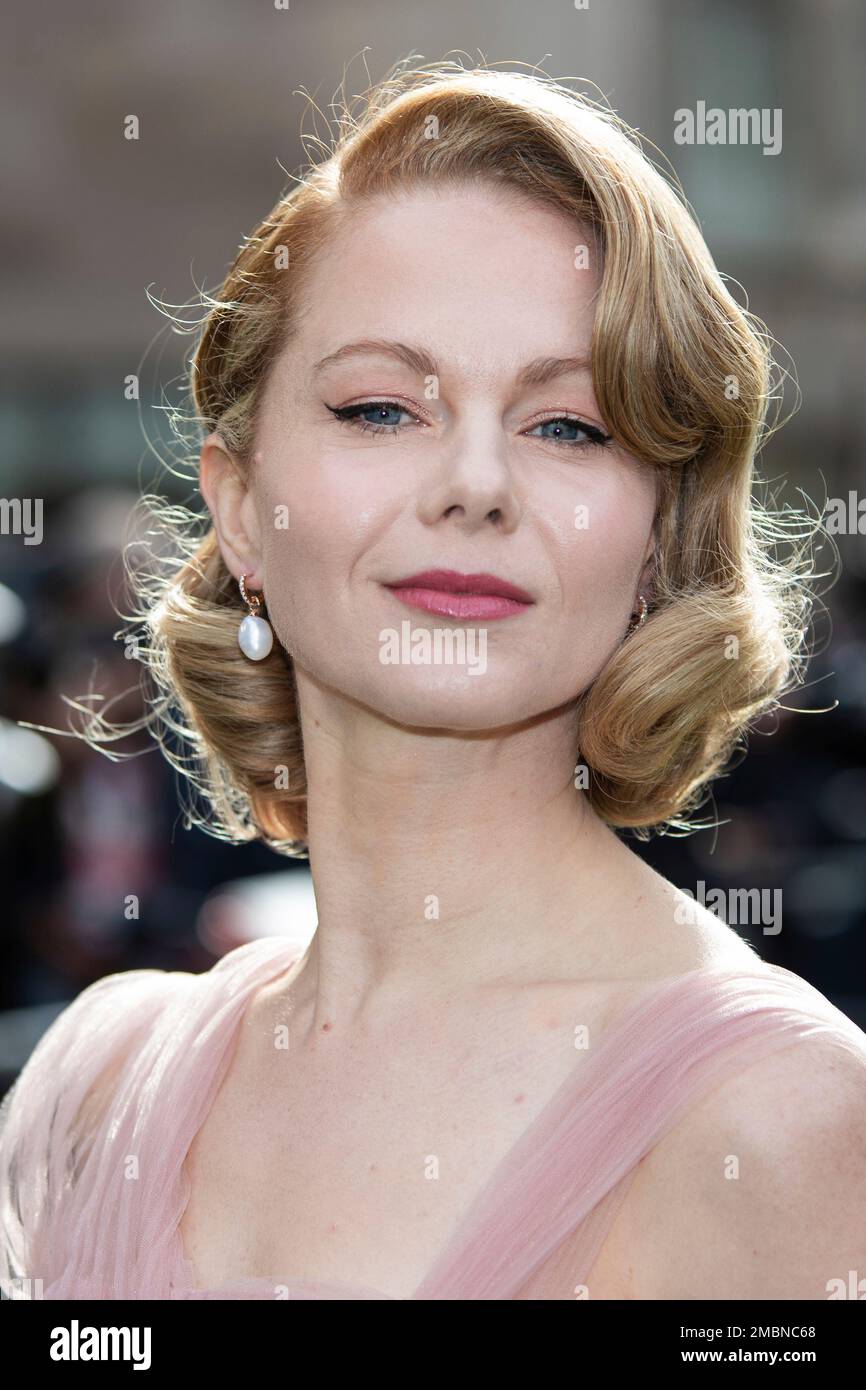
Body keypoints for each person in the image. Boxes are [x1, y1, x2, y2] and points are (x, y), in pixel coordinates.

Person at [2, 57, 865, 1302]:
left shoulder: (779, 1128)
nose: (475, 481)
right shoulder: (90, 1096)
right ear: (241, 508)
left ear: (656, 535)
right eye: (377, 408)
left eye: (567, 425)